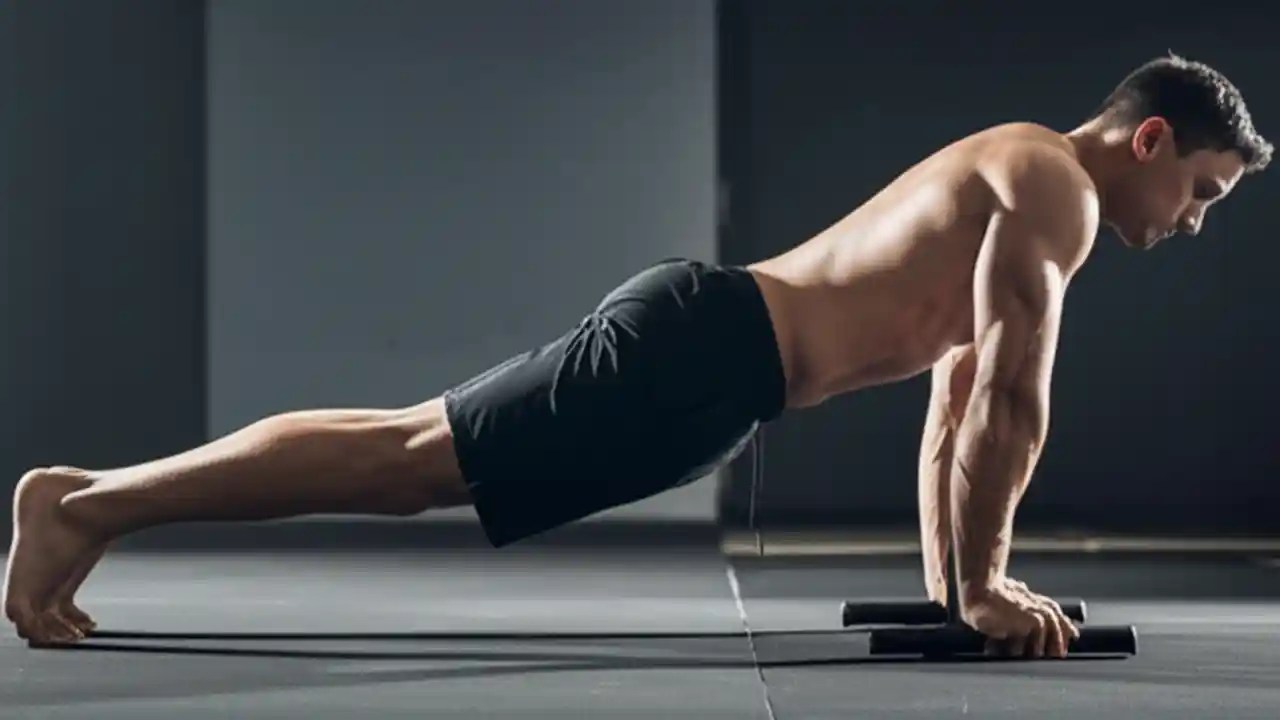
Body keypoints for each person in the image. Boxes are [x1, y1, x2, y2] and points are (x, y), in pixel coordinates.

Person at [4, 53, 1271, 655]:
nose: (1192, 221)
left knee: (406, 454)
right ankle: (86, 504)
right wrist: (990, 588)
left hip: (709, 365)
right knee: (403, 458)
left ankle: (92, 504)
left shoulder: (1019, 171)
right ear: (1148, 141)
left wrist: (961, 587)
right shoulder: (1054, 192)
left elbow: (952, 408)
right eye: (1205, 190)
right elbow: (1008, 399)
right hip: (700, 355)